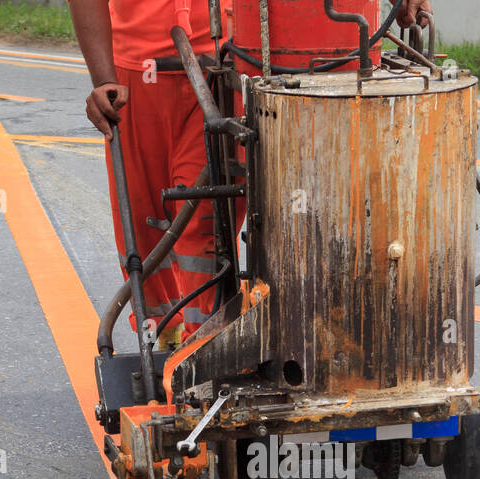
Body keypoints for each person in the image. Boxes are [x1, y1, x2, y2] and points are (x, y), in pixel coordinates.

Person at [67, 0, 433, 349]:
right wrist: (103, 80)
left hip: (220, 68)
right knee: (142, 223)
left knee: (205, 223)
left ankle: (206, 349)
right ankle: (163, 341)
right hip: (136, 78)